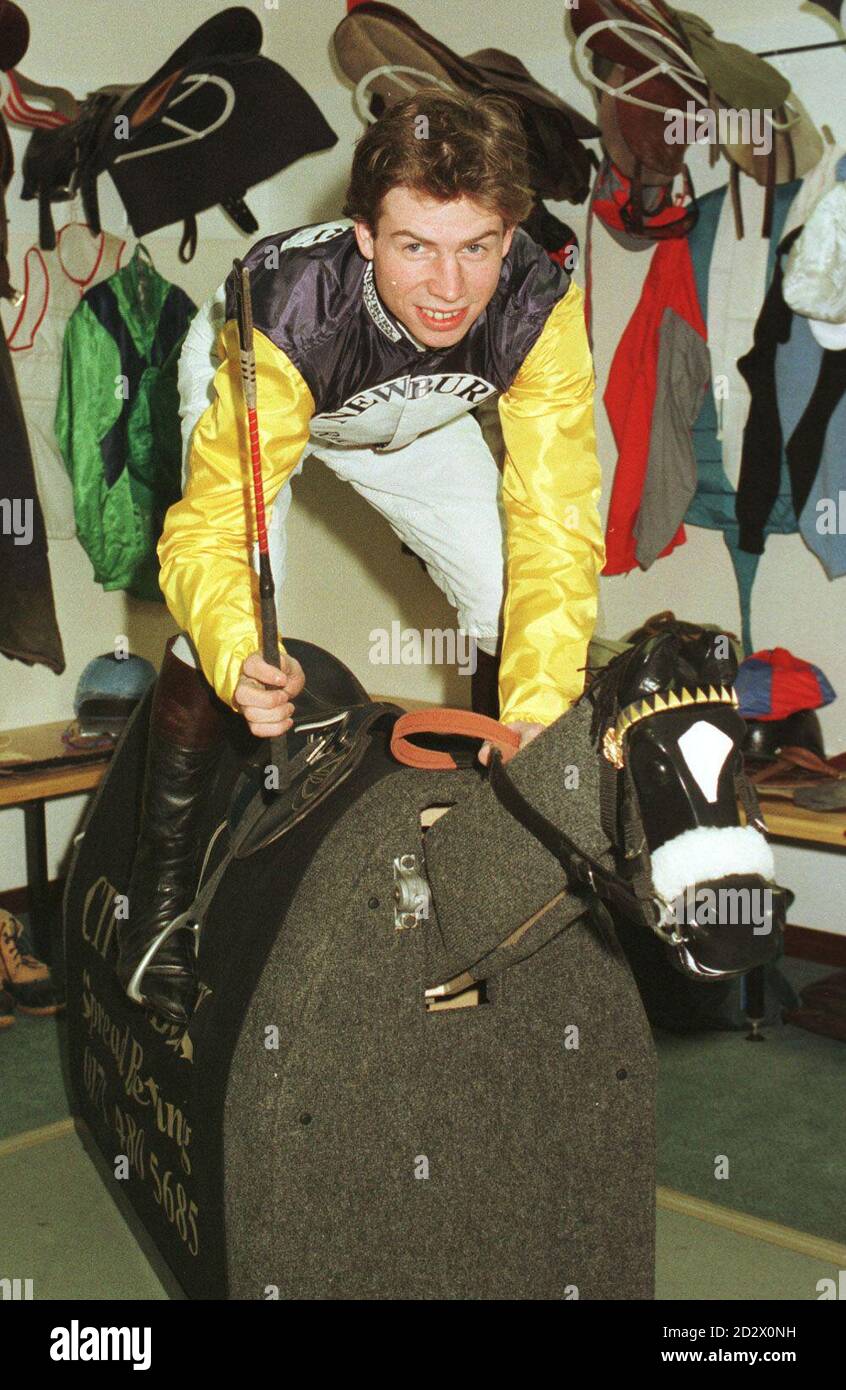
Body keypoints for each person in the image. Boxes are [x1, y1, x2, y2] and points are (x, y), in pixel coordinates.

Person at [115, 90, 606, 1026]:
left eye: (477, 247)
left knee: (523, 606)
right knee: (252, 631)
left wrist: (541, 713)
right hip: (274, 388)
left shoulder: (544, 305)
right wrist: (231, 655)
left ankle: (493, 868)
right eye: (416, 245)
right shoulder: (292, 313)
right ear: (364, 235)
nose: (449, 288)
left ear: (511, 239)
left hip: (417, 421)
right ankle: (162, 893)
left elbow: (556, 515)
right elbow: (214, 530)